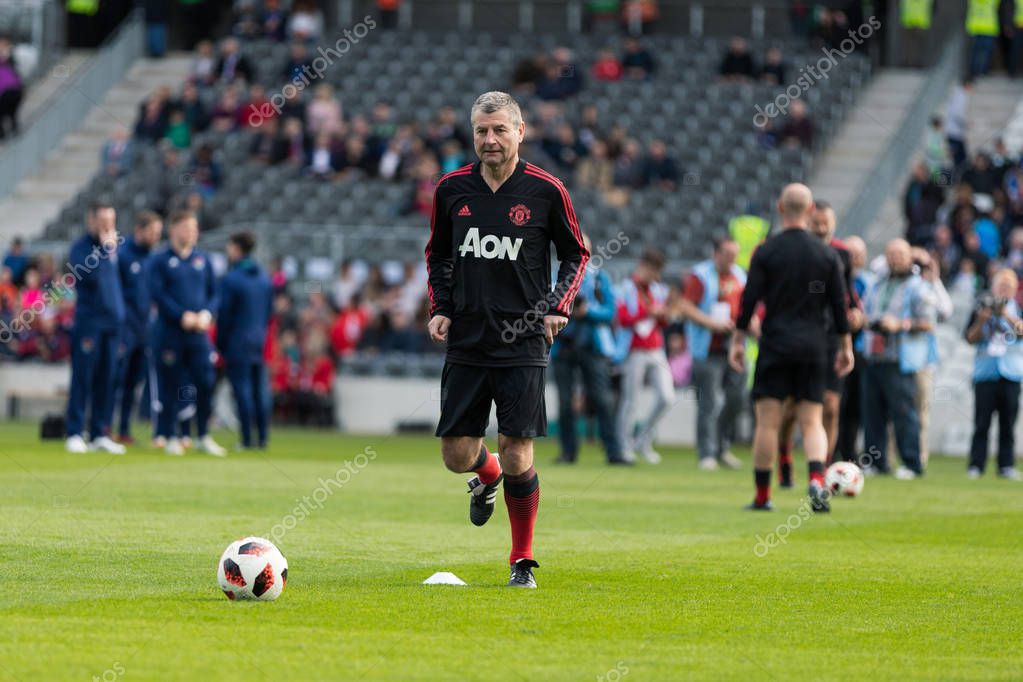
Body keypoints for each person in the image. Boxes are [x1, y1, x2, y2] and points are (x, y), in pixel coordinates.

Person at [425, 91, 588, 589]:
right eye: (481, 130)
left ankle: (522, 560)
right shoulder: (452, 190)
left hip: (523, 339)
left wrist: (559, 306)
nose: (489, 139)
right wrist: (441, 309)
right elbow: (438, 257)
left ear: (520, 132)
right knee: (457, 455)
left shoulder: (546, 191)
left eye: (499, 130)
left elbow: (577, 255)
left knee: (519, 449)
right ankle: (487, 476)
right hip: (469, 338)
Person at [730, 184, 853, 512]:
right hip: (814, 345)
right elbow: (840, 307)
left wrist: (738, 340)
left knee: (768, 422)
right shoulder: (827, 254)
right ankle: (816, 481)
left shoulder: (766, 251)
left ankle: (762, 497)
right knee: (812, 421)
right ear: (811, 209)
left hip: (775, 344)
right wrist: (845, 346)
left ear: (781, 209)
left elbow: (748, 300)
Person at [776, 201, 861, 485]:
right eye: (817, 223)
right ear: (808, 221)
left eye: (827, 223)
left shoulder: (842, 255)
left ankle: (822, 472)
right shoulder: (795, 253)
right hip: (799, 336)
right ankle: (785, 458)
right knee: (790, 407)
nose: (822, 228)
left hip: (830, 338)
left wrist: (856, 313)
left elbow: (846, 295)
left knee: (831, 406)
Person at [147, 209, 226, 457]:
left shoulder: (203, 260)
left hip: (199, 335)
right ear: (174, 229)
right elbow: (158, 294)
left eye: (194, 228)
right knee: (170, 384)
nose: (192, 233)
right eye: (186, 228)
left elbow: (215, 294)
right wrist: (182, 316)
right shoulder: (160, 261)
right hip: (170, 333)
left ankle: (202, 434)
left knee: (204, 382)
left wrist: (206, 314)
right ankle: (170, 434)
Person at [859, 239, 935, 479]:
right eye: (891, 254)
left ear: (909, 257)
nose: (895, 259)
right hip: (874, 356)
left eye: (900, 254)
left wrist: (900, 325)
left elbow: (928, 323)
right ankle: (876, 462)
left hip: (900, 359)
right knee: (872, 413)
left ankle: (912, 463)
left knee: (904, 412)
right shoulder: (877, 283)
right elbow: (866, 312)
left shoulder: (918, 286)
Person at [552, 233, 627, 466]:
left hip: (592, 347)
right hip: (564, 347)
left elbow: (610, 312)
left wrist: (587, 312)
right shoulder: (554, 279)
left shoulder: (599, 279)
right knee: (565, 403)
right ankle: (568, 453)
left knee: (602, 400)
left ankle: (614, 452)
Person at [65, 201, 127, 455]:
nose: (107, 227)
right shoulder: (81, 248)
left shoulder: (114, 251)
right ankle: (75, 432)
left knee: (107, 379)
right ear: (91, 221)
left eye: (111, 222)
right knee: (83, 377)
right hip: (89, 323)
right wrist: (104, 250)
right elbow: (86, 276)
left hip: (113, 324)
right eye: (102, 222)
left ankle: (101, 431)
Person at [680, 235, 746, 470]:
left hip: (735, 347)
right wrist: (712, 324)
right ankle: (706, 453)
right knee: (708, 403)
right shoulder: (700, 276)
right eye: (727, 255)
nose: (731, 260)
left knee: (738, 398)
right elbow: (685, 307)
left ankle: (721, 446)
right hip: (707, 349)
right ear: (715, 253)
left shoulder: (740, 275)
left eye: (734, 255)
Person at [616, 249, 675, 464]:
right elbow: (622, 318)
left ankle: (642, 439)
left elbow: (663, 323)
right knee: (630, 400)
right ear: (643, 267)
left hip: (656, 348)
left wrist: (664, 316)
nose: (655, 276)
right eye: (653, 271)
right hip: (634, 350)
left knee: (667, 397)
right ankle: (624, 446)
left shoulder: (658, 290)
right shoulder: (626, 288)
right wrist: (650, 312)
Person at [964, 269, 1023, 480]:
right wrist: (982, 320)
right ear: (994, 287)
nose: (1004, 289)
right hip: (985, 373)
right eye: (1001, 285)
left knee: (1008, 423)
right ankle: (976, 464)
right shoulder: (981, 308)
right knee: (982, 423)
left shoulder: (1018, 309)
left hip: (1011, 374)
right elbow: (970, 338)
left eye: (1009, 286)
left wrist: (1005, 313)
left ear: (1015, 289)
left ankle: (1006, 465)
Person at [217, 231, 273, 449]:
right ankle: (263, 438)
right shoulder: (264, 278)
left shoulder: (232, 279)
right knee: (260, 391)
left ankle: (247, 438)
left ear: (236, 248)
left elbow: (225, 315)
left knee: (242, 391)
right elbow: (269, 312)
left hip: (237, 341)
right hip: (259, 340)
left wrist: (221, 343)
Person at [114, 211, 162, 445]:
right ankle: (100, 427)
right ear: (139, 230)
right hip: (124, 330)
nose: (156, 237)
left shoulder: (153, 260)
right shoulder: (123, 256)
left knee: (133, 383)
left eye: (158, 233)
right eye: (152, 232)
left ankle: (123, 429)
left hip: (144, 331)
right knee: (115, 380)